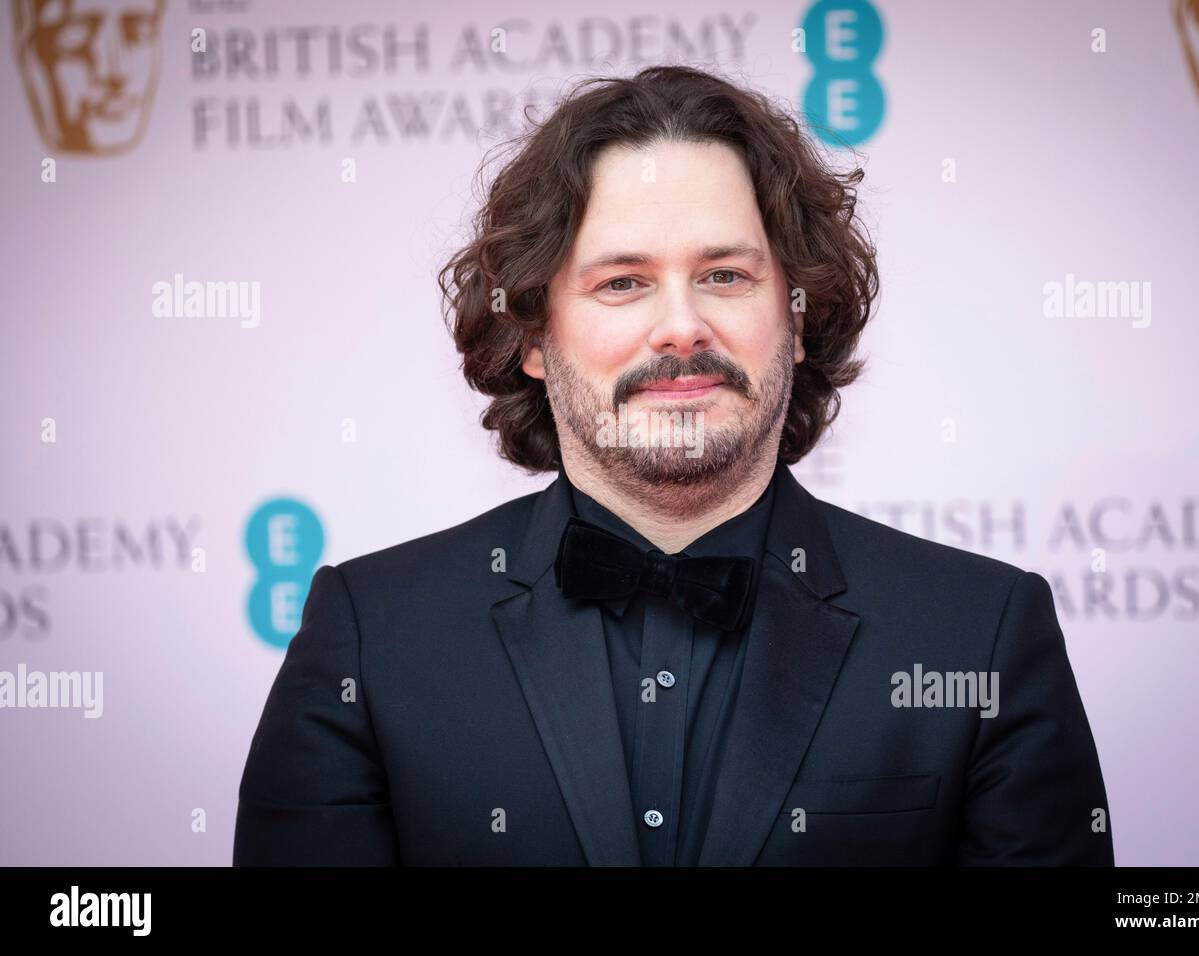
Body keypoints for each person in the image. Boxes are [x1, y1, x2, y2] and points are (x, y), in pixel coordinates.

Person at [233, 65, 1114, 866]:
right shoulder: (374, 636)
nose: (681, 325)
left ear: (801, 316)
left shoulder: (980, 633)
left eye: (726, 276)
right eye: (622, 282)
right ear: (535, 335)